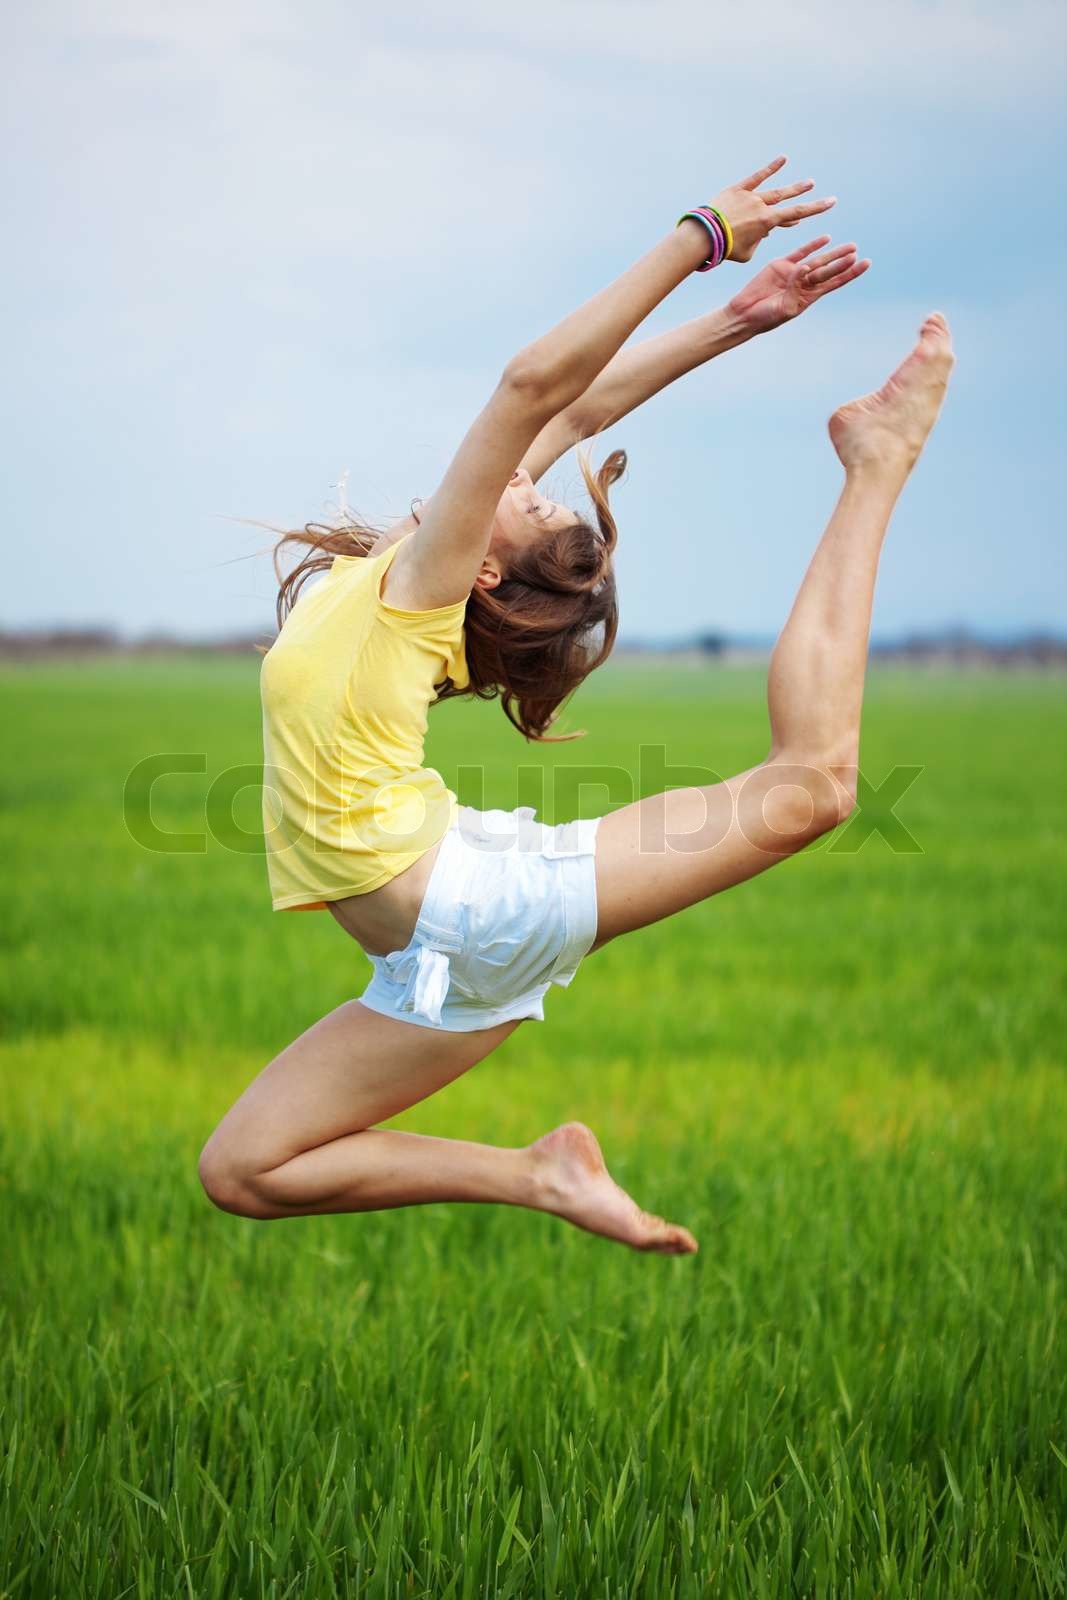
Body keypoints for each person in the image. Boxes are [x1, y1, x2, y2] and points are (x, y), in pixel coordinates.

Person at [198, 157, 953, 1255]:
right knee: (243, 1170)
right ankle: (539, 1173)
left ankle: (877, 463)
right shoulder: (416, 576)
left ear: (485, 574)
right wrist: (737, 317)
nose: (522, 474)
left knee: (815, 785)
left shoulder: (426, 587)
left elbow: (533, 390)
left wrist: (696, 236)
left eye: (532, 498)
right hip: (432, 960)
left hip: (476, 910)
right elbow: (580, 405)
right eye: (534, 484)